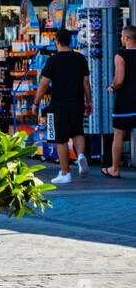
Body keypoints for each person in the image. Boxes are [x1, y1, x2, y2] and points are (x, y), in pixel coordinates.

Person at [33, 26, 93, 185]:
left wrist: (36, 102)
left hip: (59, 104)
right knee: (78, 132)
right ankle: (80, 156)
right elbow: (86, 82)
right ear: (70, 41)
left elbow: (44, 84)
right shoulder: (80, 59)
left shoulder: (53, 60)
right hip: (77, 102)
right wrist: (89, 101)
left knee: (61, 139)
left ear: (57, 42)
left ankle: (65, 173)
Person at [104, 25, 136, 179]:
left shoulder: (121, 55)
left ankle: (115, 169)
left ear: (127, 38)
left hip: (126, 101)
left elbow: (119, 80)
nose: (121, 39)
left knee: (118, 134)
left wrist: (111, 87)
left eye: (122, 36)